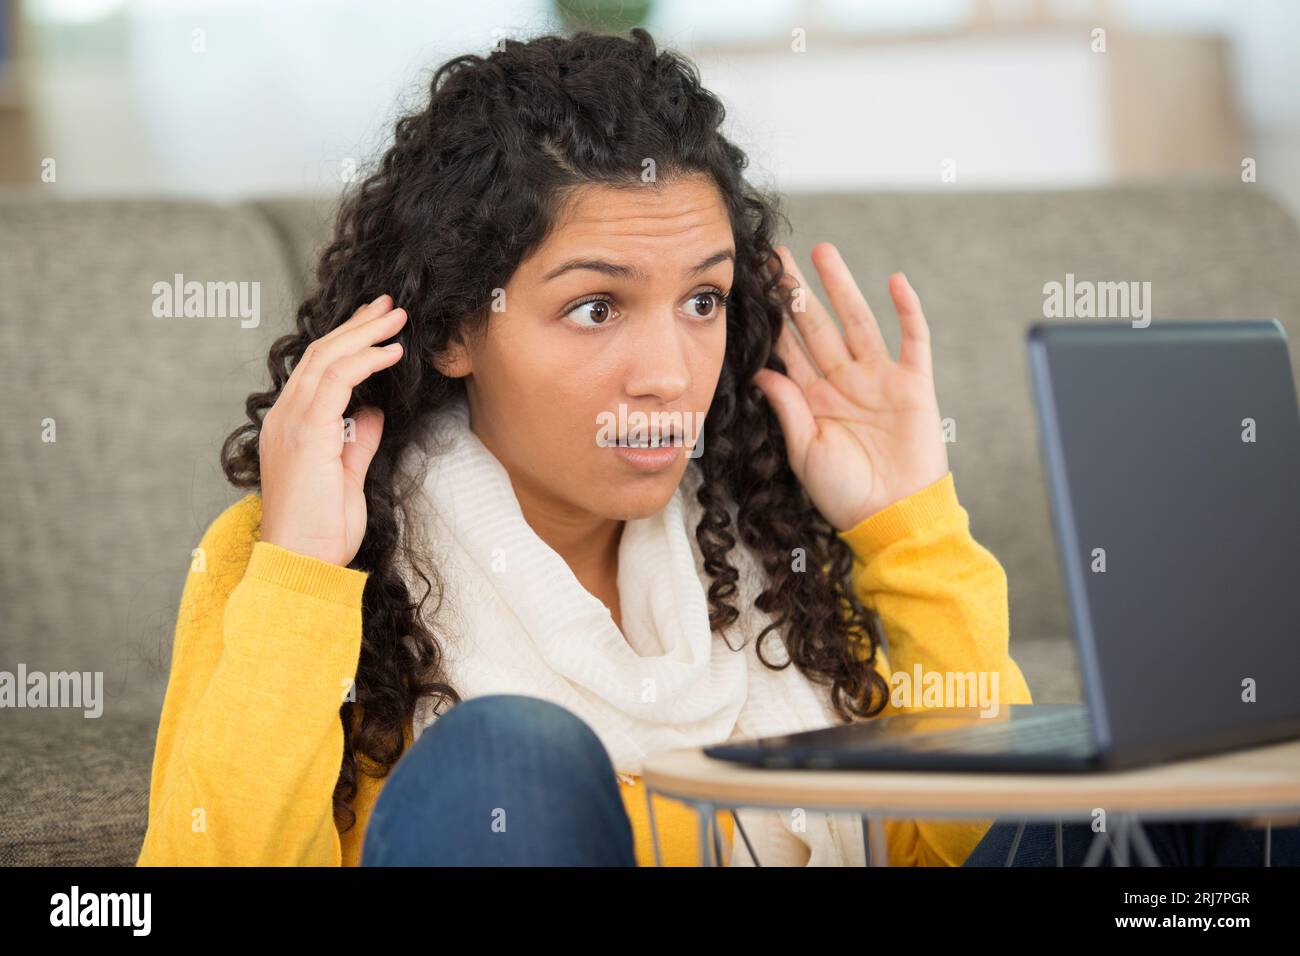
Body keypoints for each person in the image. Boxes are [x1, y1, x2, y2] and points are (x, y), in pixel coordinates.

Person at [135, 28, 1296, 868]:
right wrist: (299, 578)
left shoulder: (768, 526)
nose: (669, 371)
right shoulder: (297, 554)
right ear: (449, 329)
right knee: (512, 754)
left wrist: (909, 524)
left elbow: (950, 851)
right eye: (596, 307)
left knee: (1200, 788)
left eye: (702, 302)